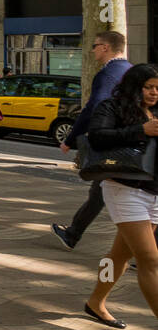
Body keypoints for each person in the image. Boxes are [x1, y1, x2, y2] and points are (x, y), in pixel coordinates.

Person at [81, 63, 158, 328]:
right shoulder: (112, 107)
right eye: (148, 87)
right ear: (135, 86)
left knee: (119, 256)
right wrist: (140, 130)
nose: (154, 92)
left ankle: (95, 302)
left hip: (153, 192)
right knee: (150, 258)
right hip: (124, 188)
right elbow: (98, 138)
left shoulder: (156, 111)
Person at [54, 30, 132, 250]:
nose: (92, 50)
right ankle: (72, 234)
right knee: (100, 192)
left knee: (114, 193)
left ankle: (145, 250)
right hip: (129, 142)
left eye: (95, 45)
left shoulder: (107, 74)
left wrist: (70, 139)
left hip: (114, 144)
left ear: (105, 47)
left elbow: (93, 108)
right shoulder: (131, 70)